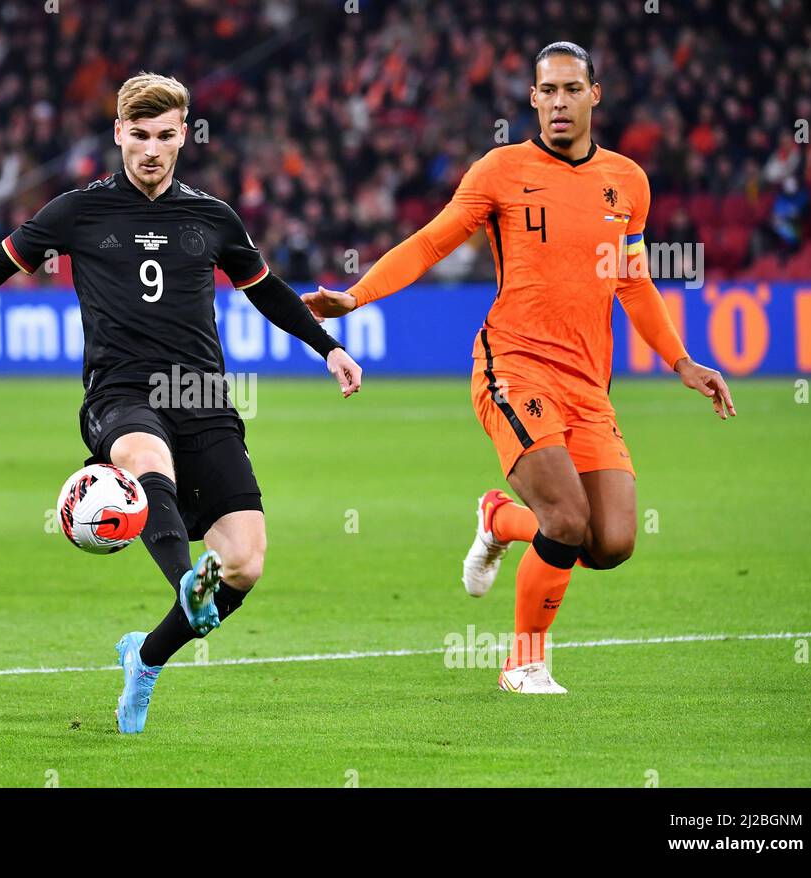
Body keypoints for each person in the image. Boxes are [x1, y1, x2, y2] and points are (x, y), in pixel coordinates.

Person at [0, 74, 363, 731]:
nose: (151, 149)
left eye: (164, 136)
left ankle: (146, 657)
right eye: (139, 135)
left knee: (246, 561)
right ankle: (186, 579)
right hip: (119, 391)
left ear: (183, 136)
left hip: (203, 394)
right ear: (119, 133)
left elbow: (264, 289)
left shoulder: (212, 217)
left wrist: (327, 347)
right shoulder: (78, 211)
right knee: (146, 460)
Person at [302, 43, 735, 694]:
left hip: (589, 384)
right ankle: (523, 662)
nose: (558, 102)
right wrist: (355, 295)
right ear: (532, 99)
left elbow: (635, 284)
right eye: (546, 91)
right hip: (514, 364)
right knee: (565, 521)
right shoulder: (501, 170)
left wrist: (681, 361)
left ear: (595, 95)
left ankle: (499, 518)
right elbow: (432, 240)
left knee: (611, 542)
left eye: (571, 89)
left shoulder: (628, 182)